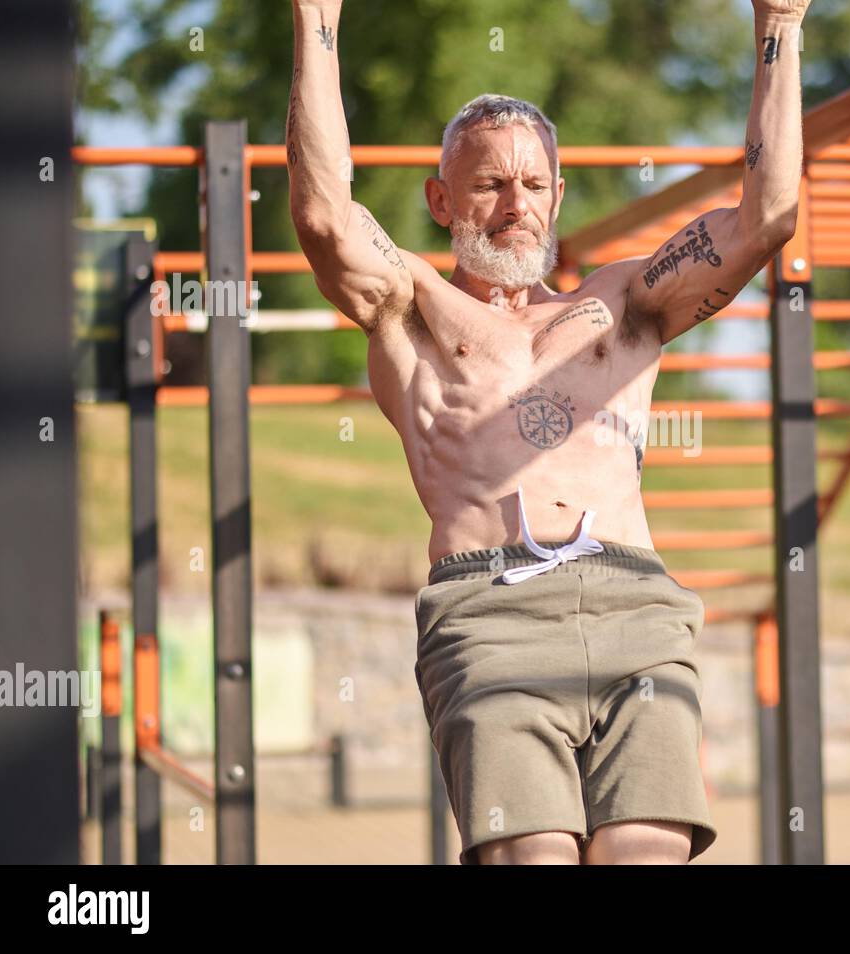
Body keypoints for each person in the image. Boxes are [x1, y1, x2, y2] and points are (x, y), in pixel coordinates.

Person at [287, 0, 811, 864]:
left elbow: (766, 217)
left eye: (533, 185)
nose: (514, 206)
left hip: (636, 605)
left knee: (645, 853)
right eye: (489, 183)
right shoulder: (413, 308)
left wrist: (781, 24)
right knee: (532, 858)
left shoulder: (622, 306)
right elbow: (323, 216)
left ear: (559, 195)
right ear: (441, 197)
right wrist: (316, 17)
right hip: (490, 615)